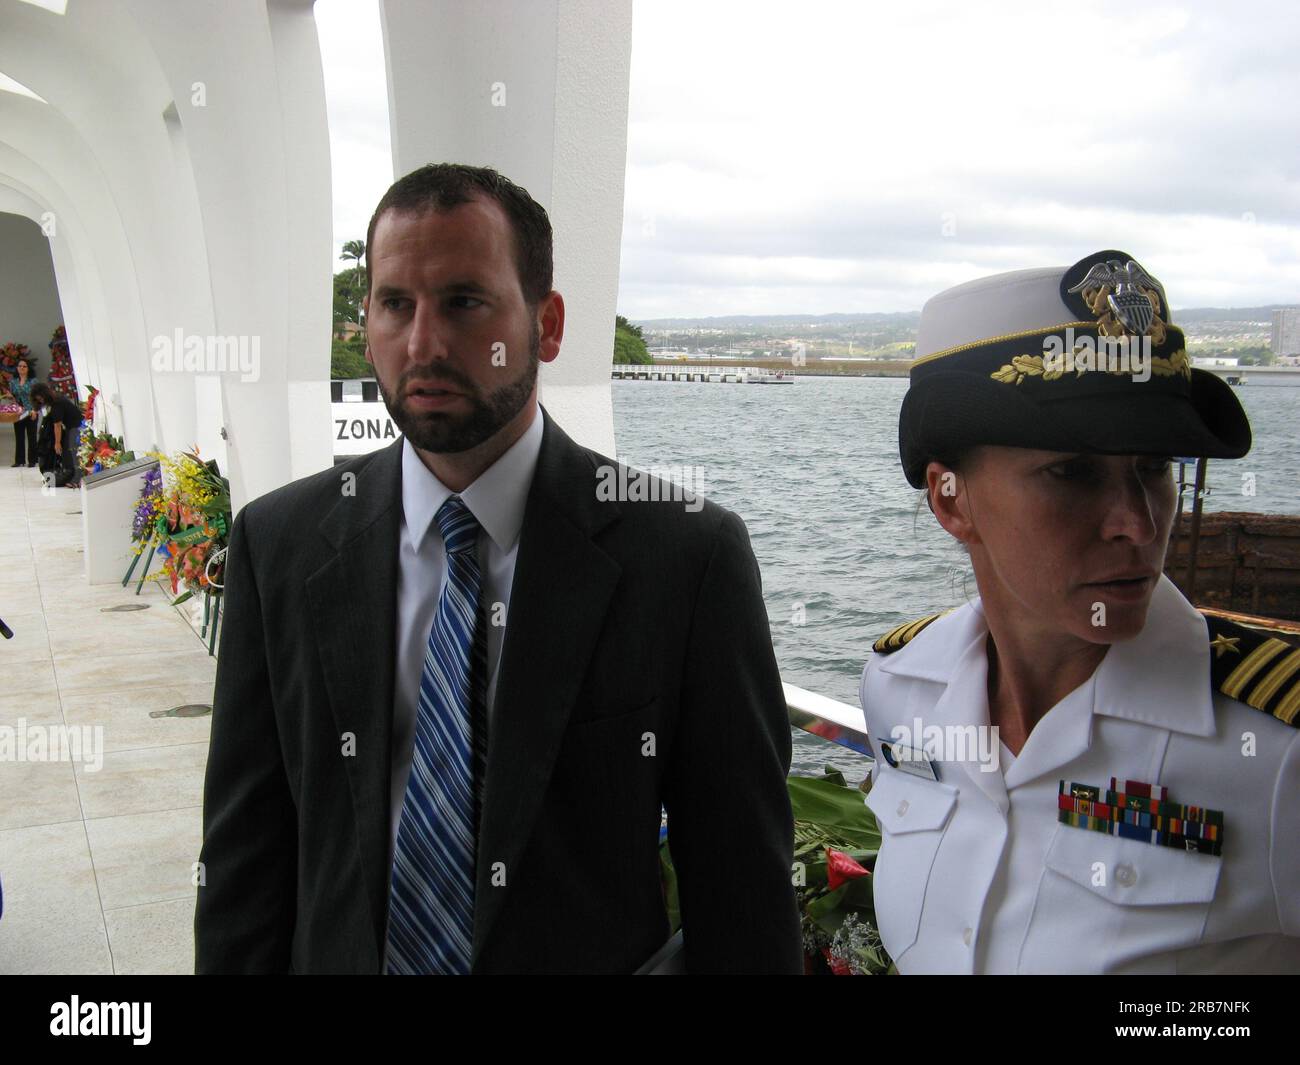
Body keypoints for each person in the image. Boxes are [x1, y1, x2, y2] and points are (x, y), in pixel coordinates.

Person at [194, 163, 802, 974]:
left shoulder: (684, 558)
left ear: (546, 326)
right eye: (395, 305)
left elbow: (742, 893)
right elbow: (244, 860)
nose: (424, 344)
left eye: (463, 302)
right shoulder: (280, 545)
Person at [859, 249, 1300, 974]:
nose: (1137, 521)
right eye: (1073, 472)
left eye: (1153, 468)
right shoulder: (898, 687)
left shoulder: (1274, 751)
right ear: (951, 499)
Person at [29, 382, 83, 488]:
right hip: (71, 427)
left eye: (40, 398)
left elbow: (57, 425)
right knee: (69, 454)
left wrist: (57, 443)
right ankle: (71, 477)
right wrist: (35, 410)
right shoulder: (55, 399)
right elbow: (42, 407)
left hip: (75, 428)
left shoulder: (57, 404)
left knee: (70, 454)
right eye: (38, 399)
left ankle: (75, 479)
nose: (40, 401)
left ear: (44, 394)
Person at [7, 357, 39, 467]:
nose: (22, 368)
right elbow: (13, 398)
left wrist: (35, 410)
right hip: (18, 413)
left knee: (32, 436)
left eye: (24, 366)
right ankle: (19, 460)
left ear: (28, 368)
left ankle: (32, 460)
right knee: (19, 436)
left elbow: (38, 397)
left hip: (31, 412)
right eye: (20, 366)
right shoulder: (13, 382)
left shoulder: (33, 381)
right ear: (16, 368)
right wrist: (10, 397)